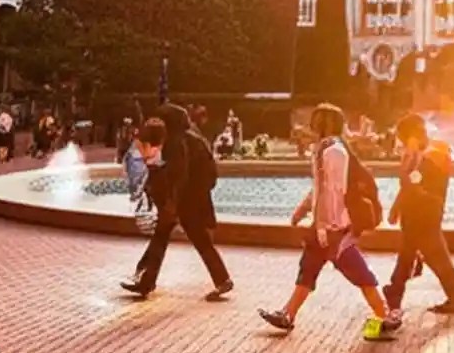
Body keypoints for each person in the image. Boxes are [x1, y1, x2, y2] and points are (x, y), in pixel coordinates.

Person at [258, 104, 400, 340]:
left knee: (360, 273)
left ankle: (385, 315)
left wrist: (325, 226)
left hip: (334, 229)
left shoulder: (333, 152)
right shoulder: (325, 149)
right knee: (308, 272)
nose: (310, 127)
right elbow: (320, 187)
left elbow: (334, 192)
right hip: (324, 228)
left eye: (315, 121)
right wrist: (303, 211)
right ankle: (288, 314)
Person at [120, 107, 232, 300]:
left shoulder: (178, 142)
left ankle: (146, 281)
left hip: (184, 201)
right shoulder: (192, 138)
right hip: (189, 199)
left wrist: (171, 202)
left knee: (174, 238)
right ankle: (146, 281)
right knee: (179, 239)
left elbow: (178, 174)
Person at [383, 113, 454, 317]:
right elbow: (410, 184)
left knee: (434, 255)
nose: (401, 142)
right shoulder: (426, 154)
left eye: (403, 137)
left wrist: (410, 163)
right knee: (412, 256)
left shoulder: (430, 157)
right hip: (417, 214)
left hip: (424, 215)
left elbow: (414, 180)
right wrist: (397, 207)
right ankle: (395, 293)